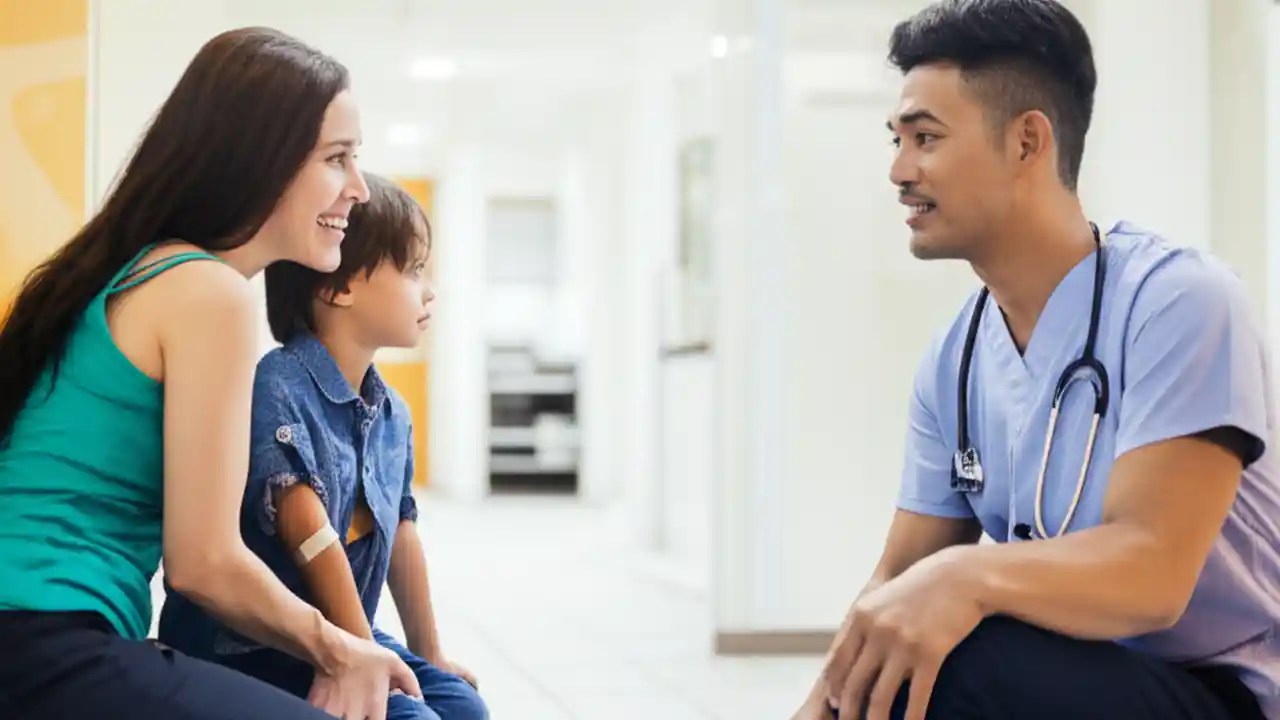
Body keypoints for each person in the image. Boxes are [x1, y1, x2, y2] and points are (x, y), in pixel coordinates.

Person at [792, 1, 1279, 719]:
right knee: (907, 649)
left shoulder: (1180, 302)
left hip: (1222, 692)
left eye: (925, 138)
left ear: (1026, 142)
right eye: (896, 140)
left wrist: (964, 574)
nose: (898, 170)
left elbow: (1154, 572)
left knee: (961, 655)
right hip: (1075, 675)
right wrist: (818, 707)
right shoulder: (955, 358)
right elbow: (898, 578)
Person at [0, 27, 424, 720]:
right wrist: (342, 649)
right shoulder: (208, 292)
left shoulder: (144, 267)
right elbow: (204, 564)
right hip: (39, 643)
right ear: (263, 160)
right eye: (338, 158)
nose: (358, 190)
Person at [158, 173, 489, 720]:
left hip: (346, 630)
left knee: (464, 707)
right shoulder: (279, 383)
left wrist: (429, 654)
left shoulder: (392, 413)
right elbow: (307, 531)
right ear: (338, 288)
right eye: (412, 270)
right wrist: (364, 660)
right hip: (253, 647)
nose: (429, 291)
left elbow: (402, 533)